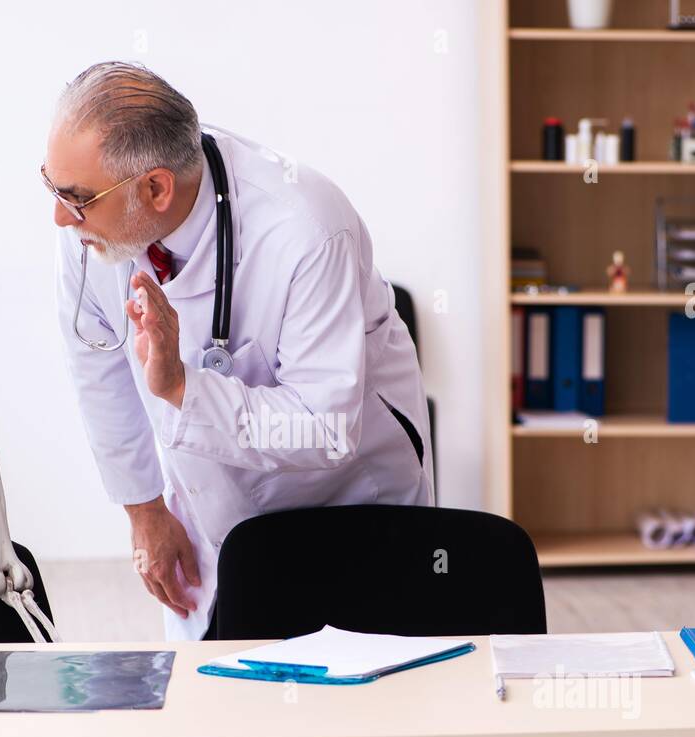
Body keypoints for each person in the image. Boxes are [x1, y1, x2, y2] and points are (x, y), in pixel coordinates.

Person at [46, 62, 432, 640]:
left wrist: (182, 388)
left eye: (75, 198)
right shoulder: (89, 227)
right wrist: (145, 509)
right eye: (52, 187)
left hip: (345, 496)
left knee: (358, 686)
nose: (58, 215)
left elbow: (322, 428)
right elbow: (97, 367)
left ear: (155, 188)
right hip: (210, 501)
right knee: (214, 689)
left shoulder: (305, 228)